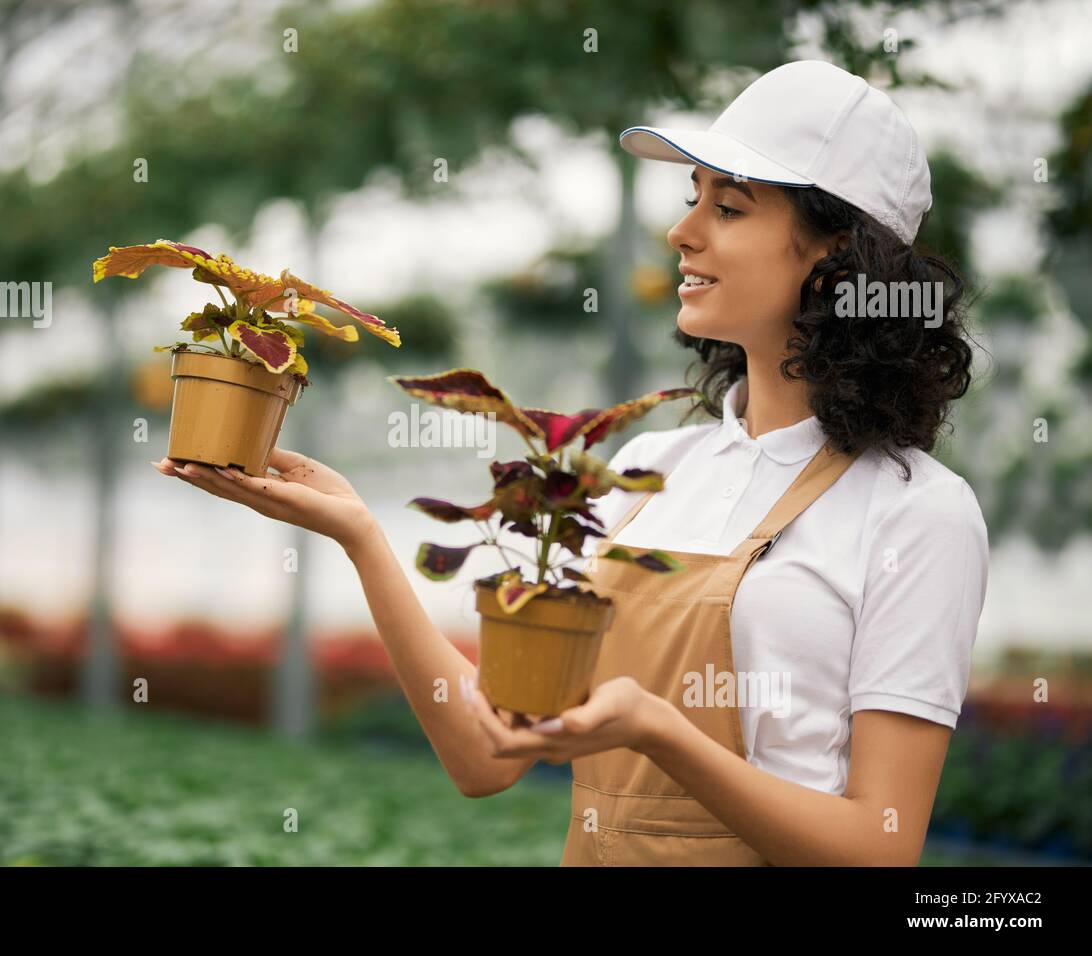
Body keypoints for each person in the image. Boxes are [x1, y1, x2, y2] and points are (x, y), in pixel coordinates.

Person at [152, 60, 989, 866]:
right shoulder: (649, 469)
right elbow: (487, 755)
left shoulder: (916, 513)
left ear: (835, 257)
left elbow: (880, 848)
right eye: (691, 198)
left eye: (729, 208)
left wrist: (656, 728)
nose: (682, 230)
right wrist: (360, 537)